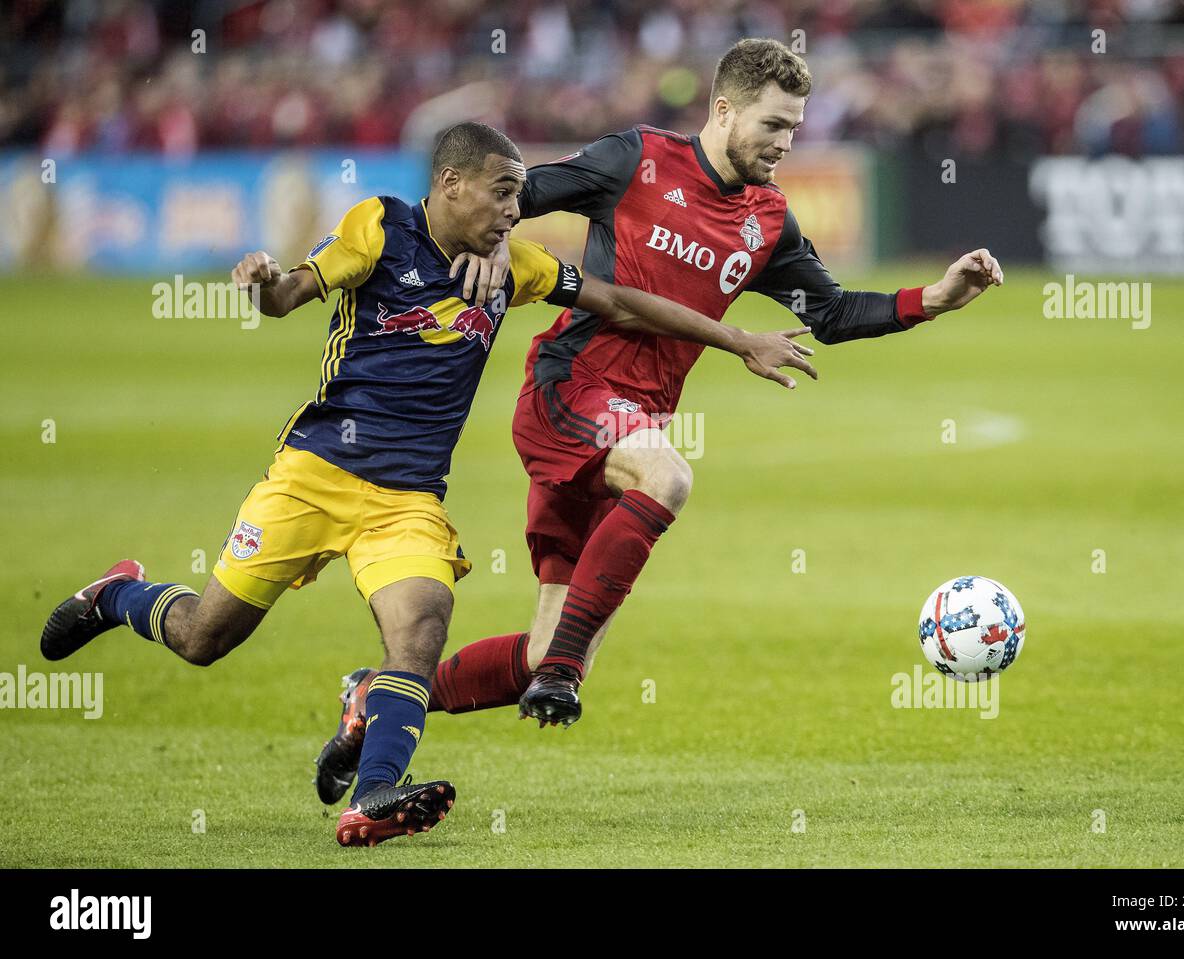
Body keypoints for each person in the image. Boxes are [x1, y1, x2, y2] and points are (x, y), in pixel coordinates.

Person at [37, 120, 816, 846]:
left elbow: (617, 302)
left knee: (421, 626)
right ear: (449, 184)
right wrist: (262, 281)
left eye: (520, 194)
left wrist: (736, 336)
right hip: (314, 475)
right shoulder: (379, 226)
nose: (517, 209)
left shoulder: (519, 268)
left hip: (408, 498)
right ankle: (116, 593)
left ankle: (375, 793)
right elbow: (290, 297)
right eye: (503, 192)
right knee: (206, 637)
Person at [312, 38, 1003, 802]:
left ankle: (375, 698)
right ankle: (567, 673)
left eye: (796, 129)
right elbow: (511, 194)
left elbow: (833, 313)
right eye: (773, 125)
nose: (785, 143)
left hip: (629, 426)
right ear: (724, 110)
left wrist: (930, 300)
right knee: (668, 476)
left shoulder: (767, 220)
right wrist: (499, 245)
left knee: (540, 645)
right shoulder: (634, 159)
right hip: (568, 389)